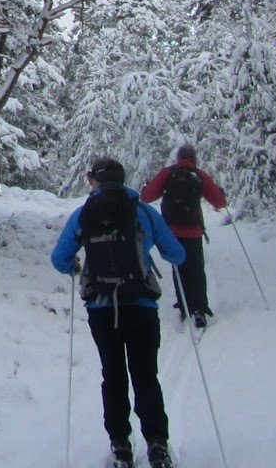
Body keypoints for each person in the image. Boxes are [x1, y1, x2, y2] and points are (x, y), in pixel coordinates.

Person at [52, 156, 185, 468]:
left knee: (112, 376)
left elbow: (60, 259)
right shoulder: (143, 212)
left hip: (100, 308)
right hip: (141, 304)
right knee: (145, 375)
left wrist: (76, 265)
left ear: (96, 181)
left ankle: (120, 447)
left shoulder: (83, 214)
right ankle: (157, 446)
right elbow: (175, 253)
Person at [139, 144, 228, 328]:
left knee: (179, 268)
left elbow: (146, 197)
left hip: (172, 232)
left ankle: (184, 306)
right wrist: (221, 193)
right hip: (193, 231)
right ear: (194, 158)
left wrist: (146, 187)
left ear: (178, 157)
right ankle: (200, 308)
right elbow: (219, 202)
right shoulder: (200, 176)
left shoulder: (168, 173)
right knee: (196, 269)